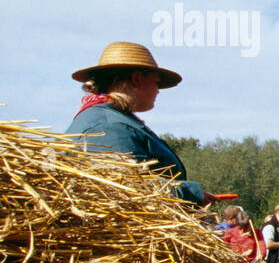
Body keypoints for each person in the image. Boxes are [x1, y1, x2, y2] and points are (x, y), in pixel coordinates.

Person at [65, 42, 216, 206]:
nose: (158, 90)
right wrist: (191, 193)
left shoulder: (113, 119)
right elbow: (128, 188)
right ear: (137, 79)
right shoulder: (108, 127)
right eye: (157, 83)